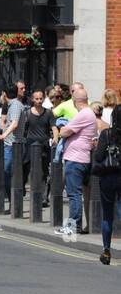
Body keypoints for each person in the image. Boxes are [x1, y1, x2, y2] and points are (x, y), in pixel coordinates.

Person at [58, 84, 98, 235]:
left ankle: (73, 226)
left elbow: (65, 132)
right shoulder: (89, 114)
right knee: (76, 194)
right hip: (80, 158)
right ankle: (76, 225)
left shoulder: (83, 114)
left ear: (75, 101)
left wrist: (63, 129)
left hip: (76, 160)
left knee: (74, 194)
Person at [92, 120, 121, 264]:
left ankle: (106, 251)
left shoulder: (106, 134)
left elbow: (98, 157)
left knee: (107, 216)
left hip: (108, 177)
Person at [0, 85, 24, 201]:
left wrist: (3, 135)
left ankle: (14, 200)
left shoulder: (15, 105)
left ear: (4, 94)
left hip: (12, 144)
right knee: (7, 172)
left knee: (7, 171)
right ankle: (13, 200)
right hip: (10, 144)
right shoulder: (12, 105)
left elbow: (15, 123)